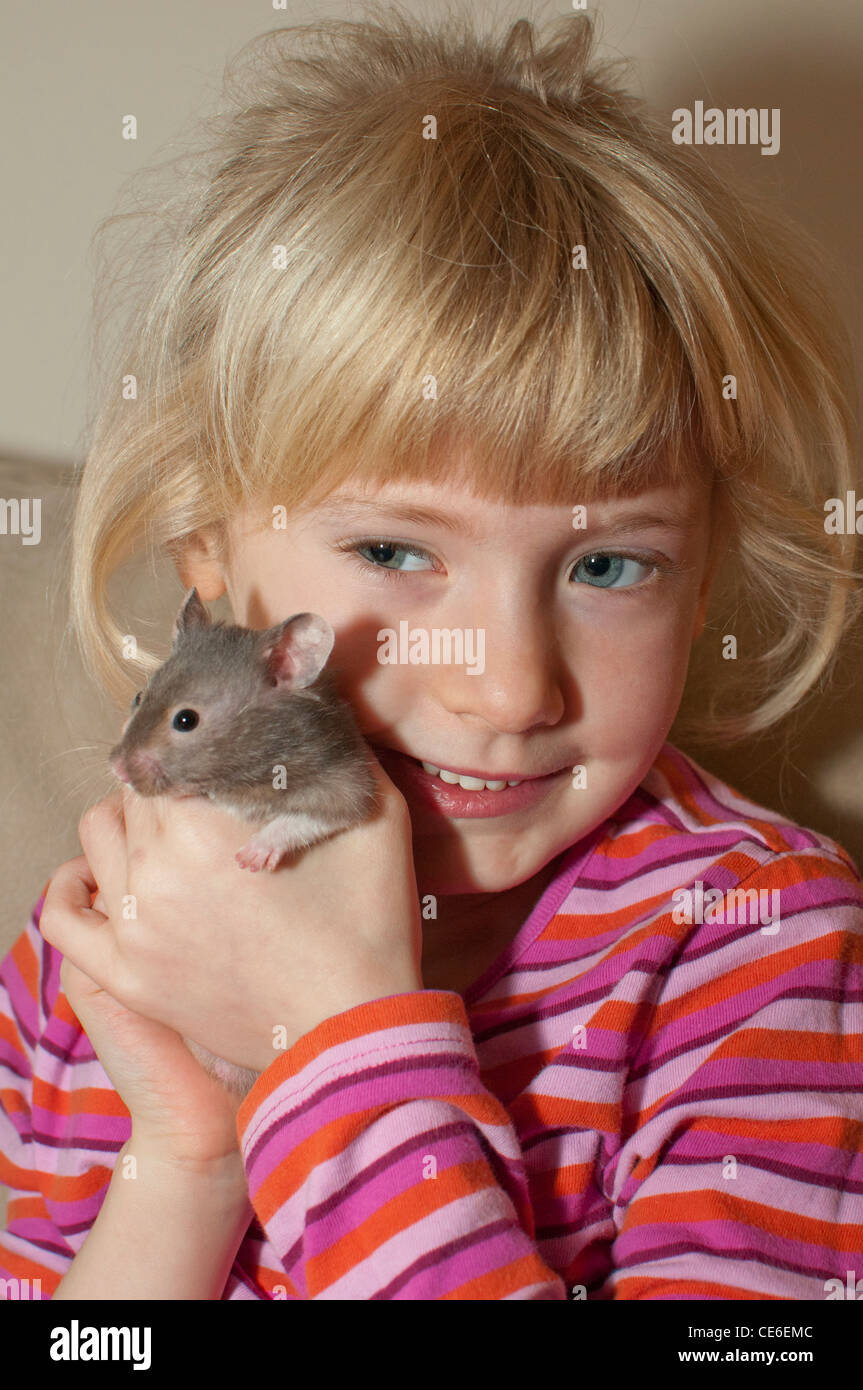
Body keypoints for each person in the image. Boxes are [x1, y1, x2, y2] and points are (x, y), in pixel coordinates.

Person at [1, 4, 861, 1301]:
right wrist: (190, 1160)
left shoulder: (759, 948)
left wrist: (337, 1047)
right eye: (397, 553)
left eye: (607, 566)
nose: (509, 686)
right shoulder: (111, 938)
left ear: (702, 591)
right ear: (207, 556)